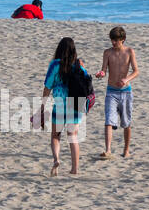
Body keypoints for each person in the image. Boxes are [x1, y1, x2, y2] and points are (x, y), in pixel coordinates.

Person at [40, 36, 88, 176]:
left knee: (56, 136)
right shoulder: (79, 64)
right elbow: (86, 84)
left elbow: (47, 86)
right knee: (73, 136)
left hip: (60, 103)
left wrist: (43, 105)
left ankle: (56, 159)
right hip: (76, 103)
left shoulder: (55, 65)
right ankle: (75, 169)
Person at [96, 25, 138, 159]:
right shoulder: (107, 52)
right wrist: (101, 73)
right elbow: (104, 70)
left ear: (123, 39)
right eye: (112, 40)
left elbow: (136, 71)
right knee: (108, 120)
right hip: (111, 92)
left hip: (125, 92)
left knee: (126, 122)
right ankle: (108, 150)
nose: (113, 43)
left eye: (116, 40)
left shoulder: (129, 52)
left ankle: (126, 150)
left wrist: (126, 79)